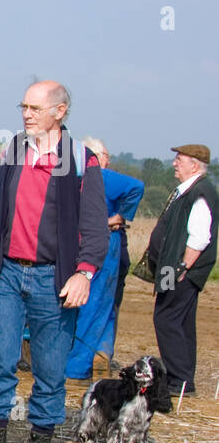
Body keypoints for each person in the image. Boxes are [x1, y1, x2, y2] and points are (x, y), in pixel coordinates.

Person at [0, 81, 106, 443]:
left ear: (59, 112)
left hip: (53, 278)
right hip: (8, 273)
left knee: (48, 365)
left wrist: (84, 273)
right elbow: (0, 211)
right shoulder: (11, 152)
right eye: (23, 106)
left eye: (34, 107)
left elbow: (96, 228)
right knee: (0, 358)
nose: (26, 114)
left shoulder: (81, 160)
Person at [65, 139, 143, 380]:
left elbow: (136, 187)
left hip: (101, 242)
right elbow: (136, 187)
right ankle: (92, 360)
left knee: (93, 303)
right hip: (106, 243)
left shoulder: (97, 176)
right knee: (102, 305)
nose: (108, 160)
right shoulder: (98, 175)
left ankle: (84, 363)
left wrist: (118, 216)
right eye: (105, 155)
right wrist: (115, 217)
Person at [147, 144, 217, 397]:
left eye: (180, 160)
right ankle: (183, 379)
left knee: (166, 318)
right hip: (172, 267)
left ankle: (178, 380)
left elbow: (200, 237)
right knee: (181, 321)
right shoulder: (189, 191)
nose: (175, 163)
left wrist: (183, 267)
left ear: (194, 165)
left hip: (177, 269)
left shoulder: (198, 193)